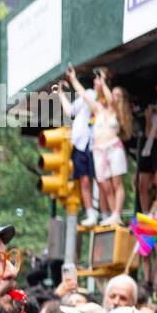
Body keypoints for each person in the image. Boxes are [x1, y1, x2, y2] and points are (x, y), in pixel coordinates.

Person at [67, 66, 132, 225]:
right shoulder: (99, 109)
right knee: (104, 184)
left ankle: (116, 213)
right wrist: (73, 79)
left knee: (116, 183)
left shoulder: (115, 110)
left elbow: (111, 100)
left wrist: (102, 82)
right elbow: (83, 94)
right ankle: (112, 216)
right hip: (98, 151)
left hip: (112, 148)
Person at [57, 74, 97, 226]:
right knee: (84, 181)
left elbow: (84, 94)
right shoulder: (81, 100)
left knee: (96, 180)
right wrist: (61, 94)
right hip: (79, 145)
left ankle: (102, 212)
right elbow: (69, 111)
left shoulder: (91, 94)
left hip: (92, 143)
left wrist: (72, 80)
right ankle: (90, 213)